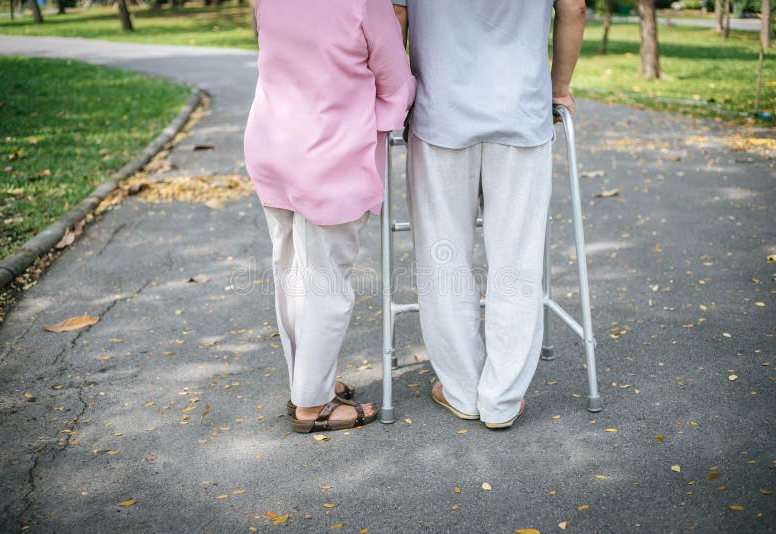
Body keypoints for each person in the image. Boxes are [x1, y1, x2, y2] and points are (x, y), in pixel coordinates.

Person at [392, 0, 586, 428]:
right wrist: (559, 88)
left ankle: (461, 389)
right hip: (521, 112)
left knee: (443, 254)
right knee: (517, 256)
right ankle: (502, 398)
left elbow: (397, 15)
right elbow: (574, 8)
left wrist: (399, 94)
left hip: (440, 111)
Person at [244, 0, 415, 433]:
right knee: (326, 282)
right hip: (331, 155)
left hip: (272, 145)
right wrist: (382, 119)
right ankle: (312, 402)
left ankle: (308, 382)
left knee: (290, 274)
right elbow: (396, 82)